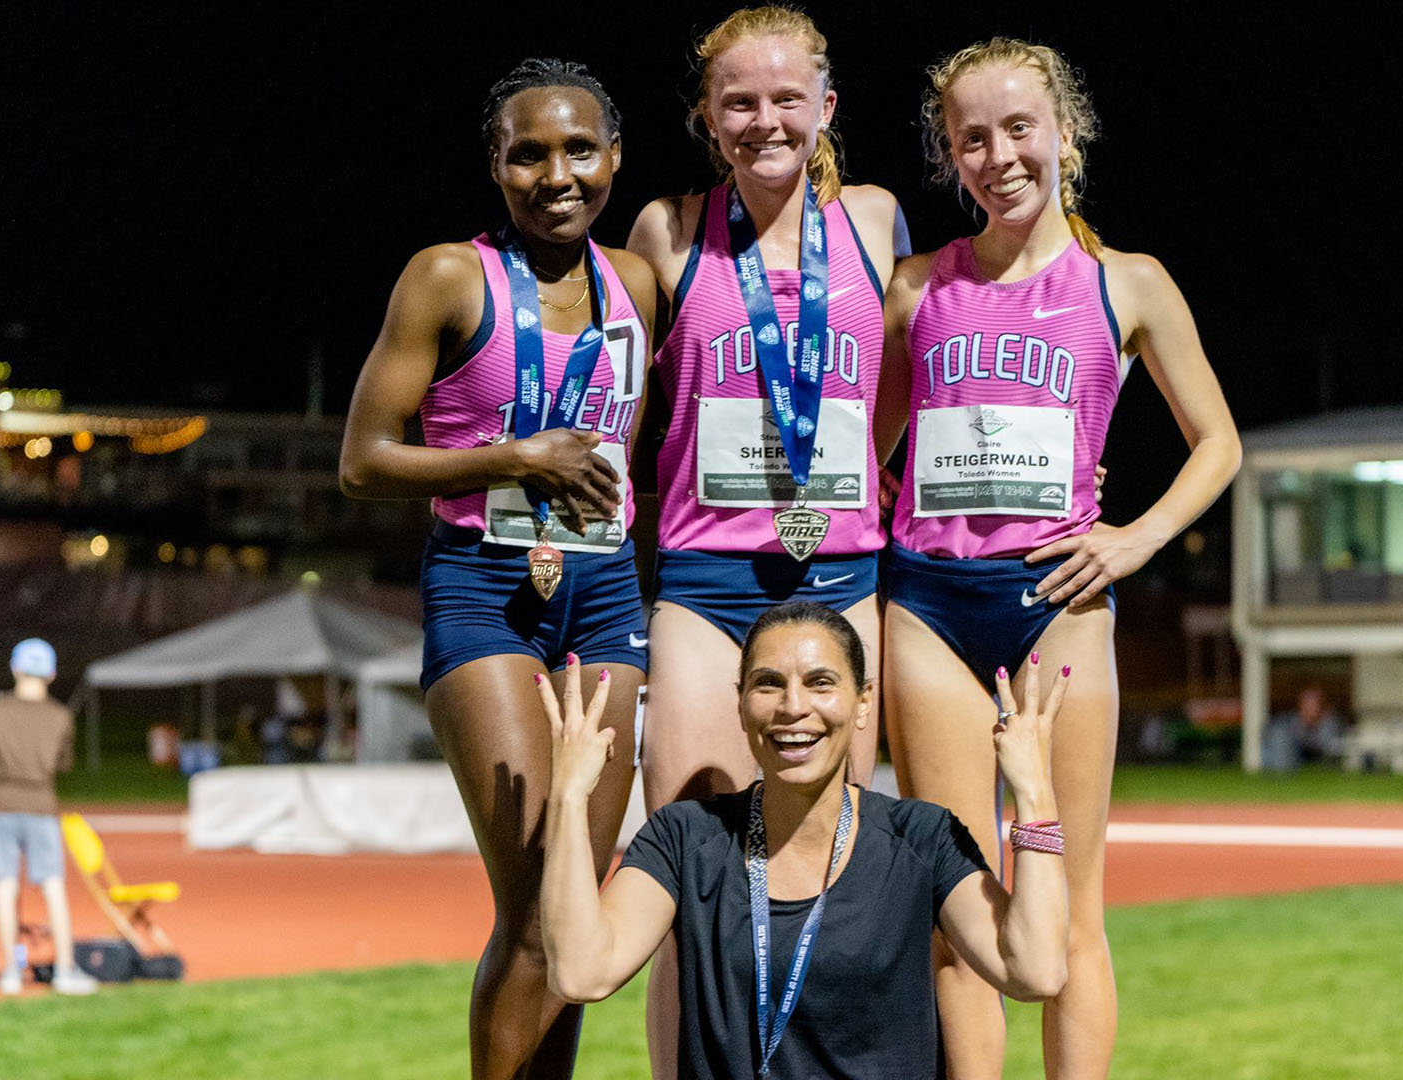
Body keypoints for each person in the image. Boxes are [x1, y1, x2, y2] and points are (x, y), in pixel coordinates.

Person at [874, 38, 1242, 1078]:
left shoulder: (1128, 285)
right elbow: (869, 451)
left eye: (1018, 129)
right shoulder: (916, 287)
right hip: (931, 609)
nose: (998, 156)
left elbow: (1218, 442)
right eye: (971, 139)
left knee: (1072, 905)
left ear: (1065, 136)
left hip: (1059, 602)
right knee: (958, 910)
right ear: (952, 158)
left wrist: (1136, 540)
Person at [337, 58, 658, 1079]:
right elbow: (362, 461)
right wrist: (516, 457)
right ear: (497, 165)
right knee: (528, 900)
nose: (556, 174)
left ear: (615, 156)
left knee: (578, 895)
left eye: (578, 149)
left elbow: (629, 441)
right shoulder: (448, 276)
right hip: (481, 588)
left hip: (604, 591)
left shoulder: (638, 285)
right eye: (529, 154)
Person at [624, 10, 905, 1067]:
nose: (764, 120)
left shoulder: (878, 222)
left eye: (788, 98)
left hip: (840, 579)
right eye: (738, 100)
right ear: (707, 115)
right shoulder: (666, 229)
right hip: (705, 579)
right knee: (684, 875)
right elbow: (611, 374)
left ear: (825, 108)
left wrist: (858, 472)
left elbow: (919, 375)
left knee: (829, 872)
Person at [539, 602, 1071, 1078]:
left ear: (863, 703)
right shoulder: (684, 837)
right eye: (768, 683)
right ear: (741, 702)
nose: (793, 706)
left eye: (821, 683)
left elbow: (1035, 970)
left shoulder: (922, 839)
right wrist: (566, 799)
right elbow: (581, 972)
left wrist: (1034, 793)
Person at [0, 638, 98, 996]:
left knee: (5, 886)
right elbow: (63, 764)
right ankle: (65, 971)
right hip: (41, 807)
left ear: (15, 669)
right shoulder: (61, 716)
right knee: (52, 886)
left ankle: (10, 972)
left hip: (2, 807)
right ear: (51, 674)